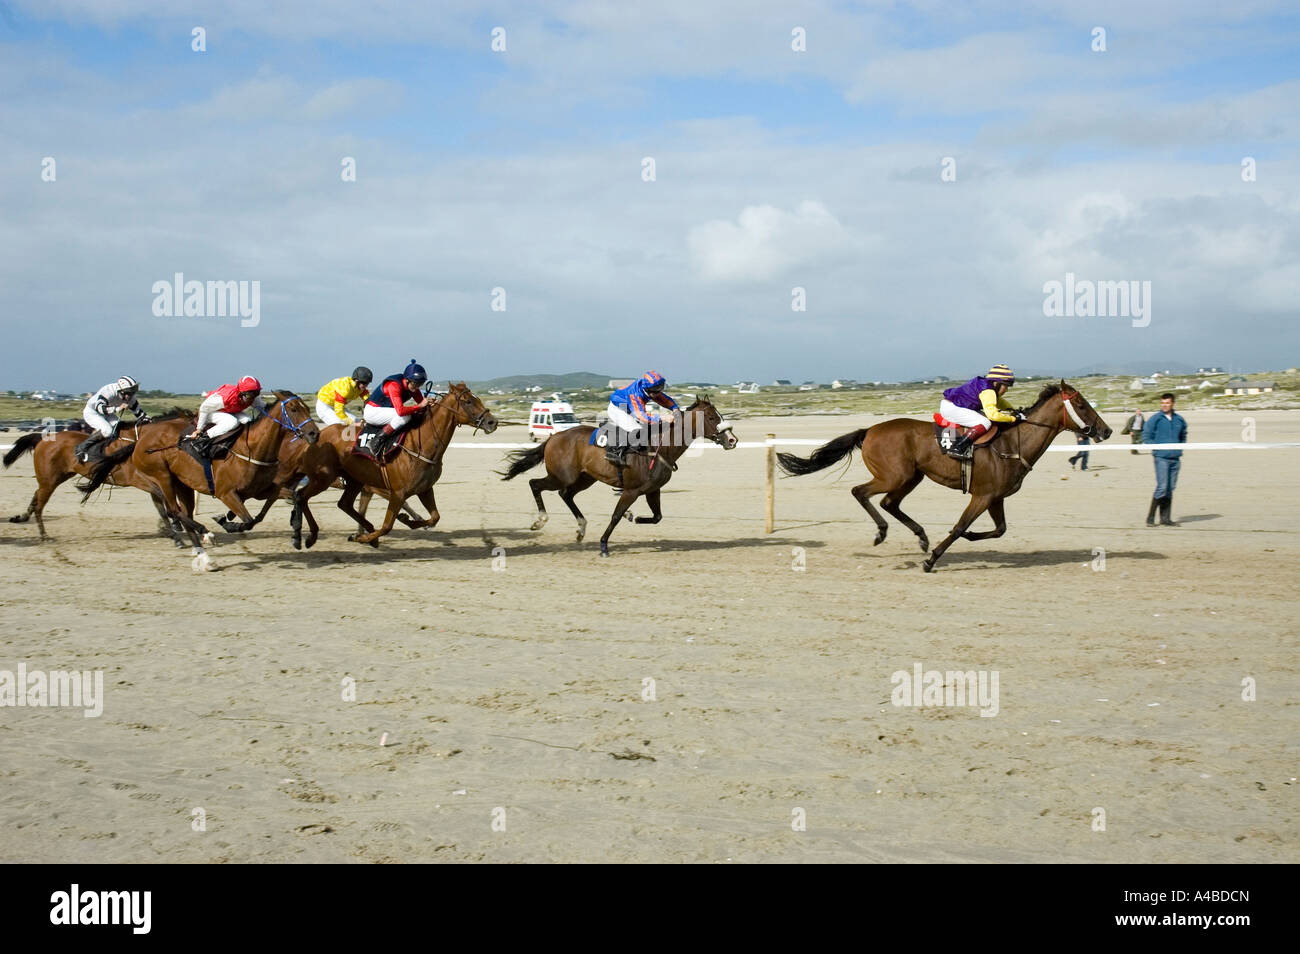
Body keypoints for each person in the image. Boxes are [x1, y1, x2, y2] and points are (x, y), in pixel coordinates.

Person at [605, 371, 679, 489]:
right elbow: (643, 417)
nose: (659, 391)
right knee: (637, 429)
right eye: (656, 390)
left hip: (629, 407)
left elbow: (664, 399)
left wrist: (675, 409)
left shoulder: (651, 389)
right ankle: (614, 452)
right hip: (618, 409)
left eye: (661, 388)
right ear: (647, 389)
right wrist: (663, 417)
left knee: (648, 429)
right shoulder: (635, 394)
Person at [938, 365, 1024, 459]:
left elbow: (1000, 402)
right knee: (985, 422)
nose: (1006, 390)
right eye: (1006, 386)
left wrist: (1012, 410)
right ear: (996, 383)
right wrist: (1013, 418)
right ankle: (958, 448)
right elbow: (993, 415)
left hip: (955, 405)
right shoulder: (988, 391)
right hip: (952, 408)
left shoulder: (988, 387)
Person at [181, 376, 266, 461]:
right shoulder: (226, 398)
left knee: (248, 420)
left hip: (229, 411)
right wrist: (199, 429)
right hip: (210, 411)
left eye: (256, 394)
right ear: (241, 393)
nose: (252, 398)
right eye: (250, 395)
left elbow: (264, 408)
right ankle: (203, 438)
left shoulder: (253, 398)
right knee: (232, 422)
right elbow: (204, 407)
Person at [359, 359, 429, 460]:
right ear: (407, 380)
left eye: (420, 384)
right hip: (372, 412)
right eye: (416, 384)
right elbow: (401, 411)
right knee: (405, 417)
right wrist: (420, 406)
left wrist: (429, 403)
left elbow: (422, 403)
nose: (417, 387)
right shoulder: (394, 385)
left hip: (384, 411)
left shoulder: (412, 387)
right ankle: (375, 441)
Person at [77, 375, 151, 462]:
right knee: (107, 431)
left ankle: (109, 451)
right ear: (121, 391)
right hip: (93, 412)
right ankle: (81, 448)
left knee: (120, 429)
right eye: (128, 393)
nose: (130, 396)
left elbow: (139, 413)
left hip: (108, 413)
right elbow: (99, 408)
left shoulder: (130, 396)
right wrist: (118, 408)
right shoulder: (108, 391)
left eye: (132, 392)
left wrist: (152, 421)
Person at [1141, 393, 1187, 526]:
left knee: (1170, 487)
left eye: (1167, 403)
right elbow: (1146, 434)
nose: (1164, 405)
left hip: (1175, 458)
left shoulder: (1179, 419)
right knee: (1162, 487)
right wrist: (1155, 449)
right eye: (1162, 403)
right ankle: (1150, 518)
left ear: (1172, 403)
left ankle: (1165, 518)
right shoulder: (1156, 418)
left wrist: (1180, 448)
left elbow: (1183, 435)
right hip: (1161, 458)